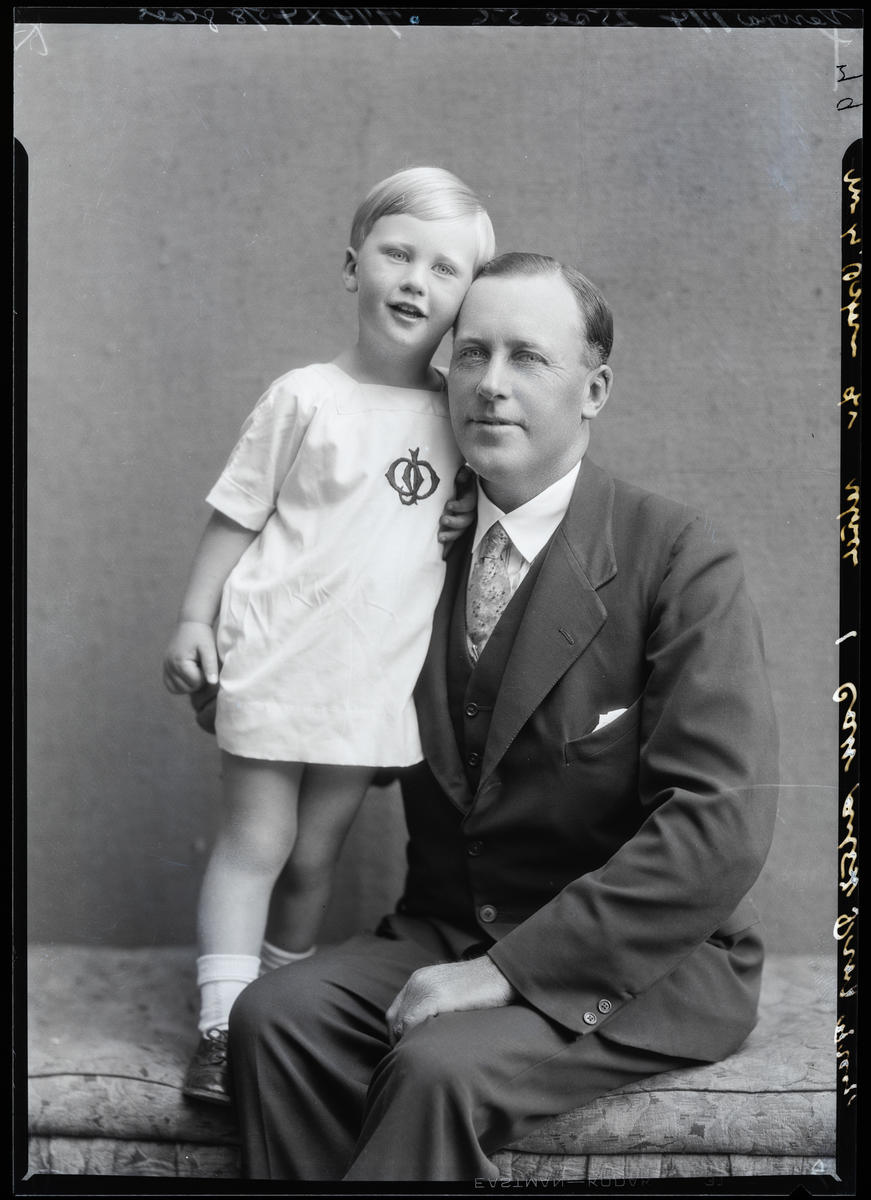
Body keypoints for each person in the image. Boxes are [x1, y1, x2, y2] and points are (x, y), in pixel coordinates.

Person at [228, 251, 780, 1181]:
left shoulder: (679, 557)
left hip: (642, 962)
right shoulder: (405, 548)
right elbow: (351, 721)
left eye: (528, 358)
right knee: (272, 1018)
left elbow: (718, 827)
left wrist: (508, 975)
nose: (490, 385)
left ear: (593, 388)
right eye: (471, 354)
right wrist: (257, 691)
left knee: (436, 1068)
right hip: (445, 929)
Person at [162, 167, 494, 1104]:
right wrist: (194, 617)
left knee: (316, 855)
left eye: (444, 269)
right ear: (353, 266)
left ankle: (280, 1005)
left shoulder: (457, 415)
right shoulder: (304, 396)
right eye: (397, 253)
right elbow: (236, 512)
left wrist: (464, 518)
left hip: (368, 677)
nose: (415, 281)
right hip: (276, 655)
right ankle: (226, 1025)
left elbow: (460, 525)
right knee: (257, 838)